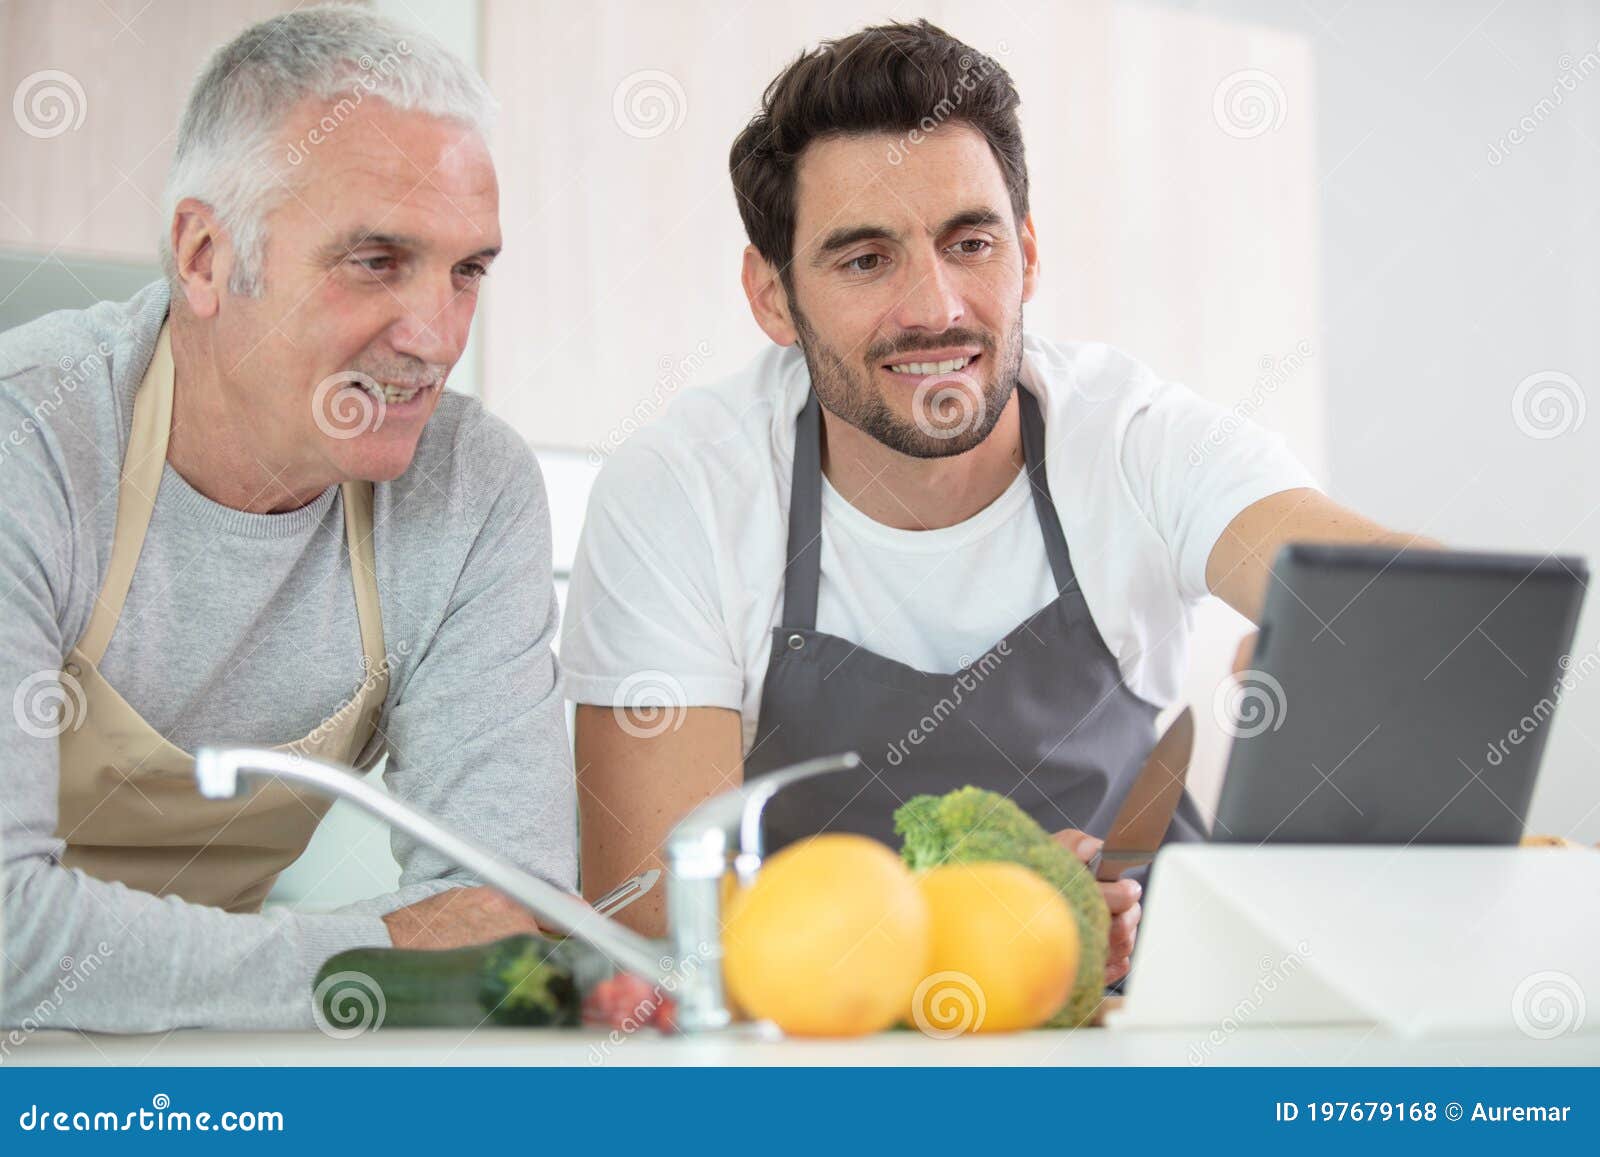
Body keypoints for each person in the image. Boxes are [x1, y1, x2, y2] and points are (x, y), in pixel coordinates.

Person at [561, 20, 1433, 987]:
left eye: (969, 242)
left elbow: (1434, 616)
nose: (934, 307)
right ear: (771, 296)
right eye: (864, 259)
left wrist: (1345, 655)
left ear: (1026, 254)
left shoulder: (1136, 439)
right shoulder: (682, 492)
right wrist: (992, 924)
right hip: (812, 1049)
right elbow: (649, 918)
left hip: (1141, 1025)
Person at [0, 6, 572, 1031]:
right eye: (376, 261)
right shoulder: (29, 443)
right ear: (208, 256)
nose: (435, 335)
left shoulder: (469, 489)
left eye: (468, 270)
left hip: (201, 1066)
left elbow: (503, 928)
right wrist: (380, 949)